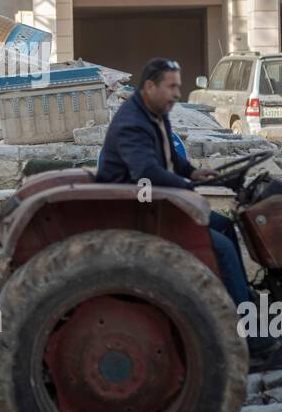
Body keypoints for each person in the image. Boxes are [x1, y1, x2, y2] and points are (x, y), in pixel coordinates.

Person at [95, 57, 254, 308]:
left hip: (157, 201)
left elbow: (169, 157)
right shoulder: (132, 122)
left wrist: (192, 173)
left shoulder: (155, 114)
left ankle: (243, 296)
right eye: (171, 87)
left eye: (178, 87)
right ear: (149, 87)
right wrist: (186, 188)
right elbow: (147, 171)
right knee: (221, 247)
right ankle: (245, 326)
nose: (177, 94)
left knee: (225, 225)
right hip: (139, 209)